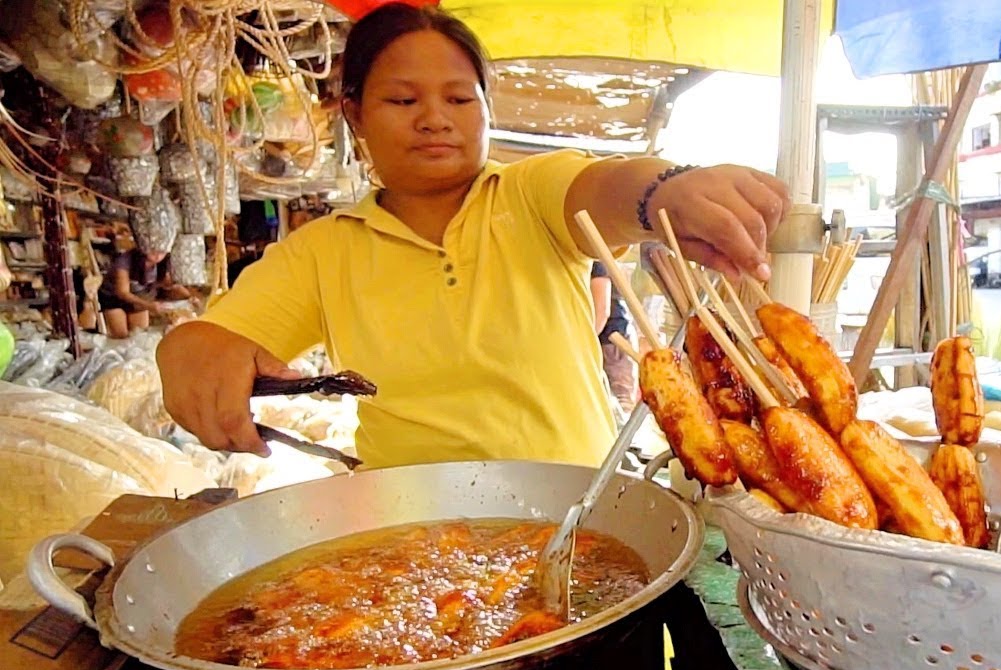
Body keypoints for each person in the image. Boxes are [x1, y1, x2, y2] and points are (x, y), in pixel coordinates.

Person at [156, 2, 789, 470]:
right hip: (418, 548)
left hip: (584, 521)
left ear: (487, 109)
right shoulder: (323, 251)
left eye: (460, 100)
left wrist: (665, 191)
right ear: (354, 114)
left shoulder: (530, 194)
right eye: (403, 102)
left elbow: (607, 189)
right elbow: (215, 337)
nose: (435, 119)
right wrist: (187, 353)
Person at [98, 245, 192, 339]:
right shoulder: (124, 261)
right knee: (121, 336)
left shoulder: (163, 262)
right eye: (154, 251)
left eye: (162, 252)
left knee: (140, 335)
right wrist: (148, 305)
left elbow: (168, 283)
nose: (158, 256)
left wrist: (189, 297)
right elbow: (123, 293)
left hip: (140, 296)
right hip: (113, 298)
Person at [591, 260, 636, 417]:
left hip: (614, 341)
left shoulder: (593, 260)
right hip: (599, 340)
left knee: (620, 407)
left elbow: (601, 311)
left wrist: (583, 344)